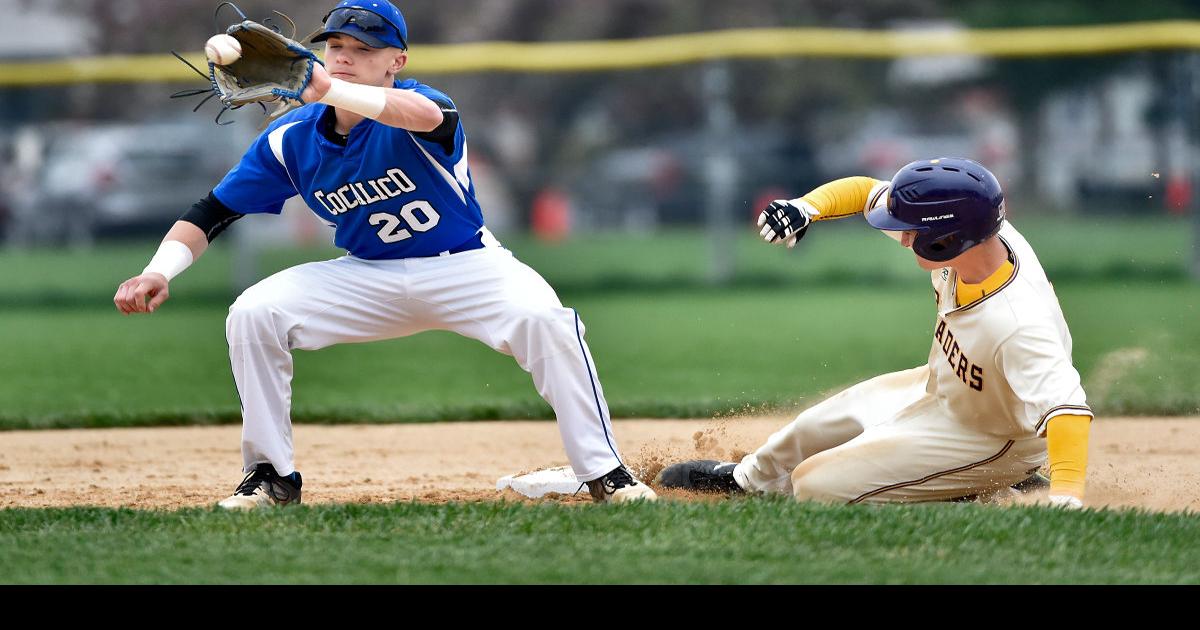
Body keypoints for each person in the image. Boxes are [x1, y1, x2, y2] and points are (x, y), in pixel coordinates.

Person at [113, 0, 655, 508]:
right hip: (365, 276)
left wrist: (328, 90)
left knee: (548, 322)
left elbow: (420, 116)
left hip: (467, 266)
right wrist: (157, 271)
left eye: (365, 49)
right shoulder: (290, 138)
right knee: (255, 313)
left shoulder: (423, 105)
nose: (346, 57)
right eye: (336, 47)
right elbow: (212, 211)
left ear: (397, 60)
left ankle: (605, 473)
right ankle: (271, 477)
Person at [657, 157, 1092, 508]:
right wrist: (805, 208)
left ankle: (980, 485)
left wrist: (1067, 499)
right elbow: (867, 191)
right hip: (944, 388)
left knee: (815, 486)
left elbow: (1068, 408)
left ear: (946, 240)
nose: (901, 236)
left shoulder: (1018, 323)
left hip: (993, 436)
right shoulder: (977, 235)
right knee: (814, 426)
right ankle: (746, 480)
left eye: (912, 230)